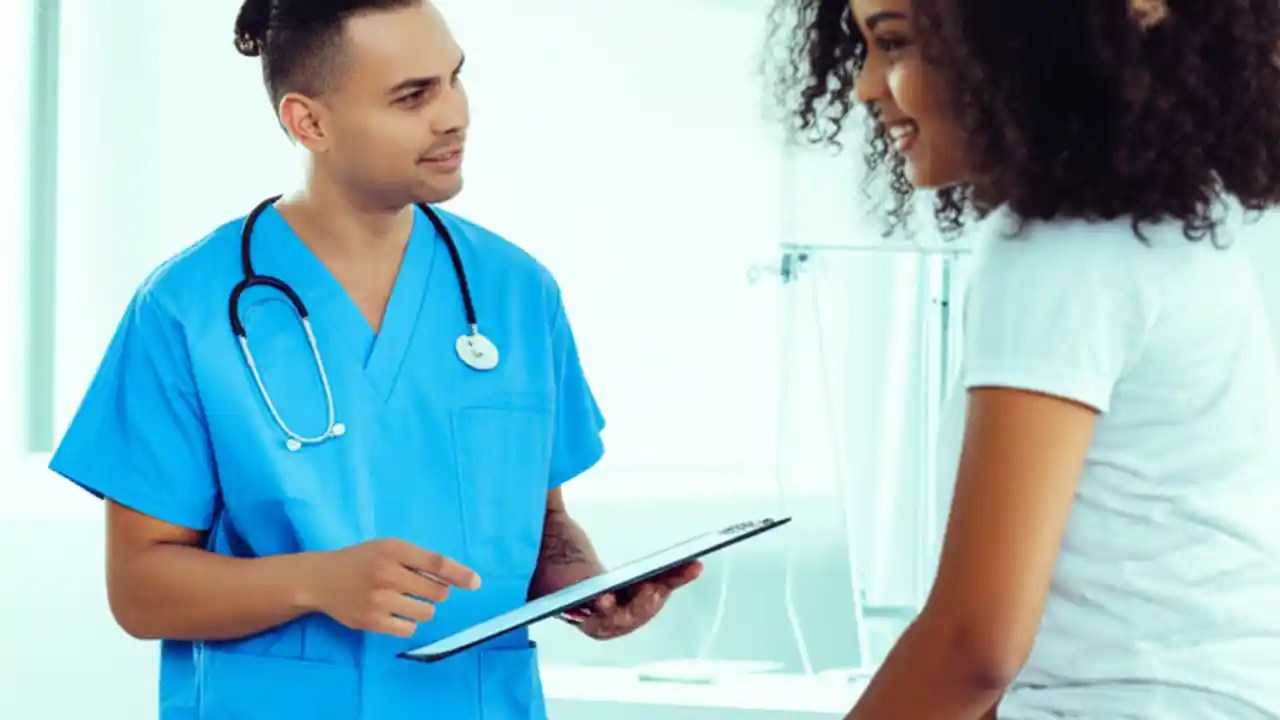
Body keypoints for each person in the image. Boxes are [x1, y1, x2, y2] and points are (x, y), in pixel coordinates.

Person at [48, 1, 701, 718]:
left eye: (454, 79)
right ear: (309, 123)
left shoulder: (516, 292)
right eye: (412, 96)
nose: (454, 115)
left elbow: (544, 523)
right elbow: (140, 591)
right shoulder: (187, 307)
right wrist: (317, 582)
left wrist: (586, 588)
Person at [771, 0, 1280, 718]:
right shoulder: (1157, 234)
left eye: (894, 43)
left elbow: (974, 646)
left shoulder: (1058, 252)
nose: (863, 87)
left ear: (1011, 40)